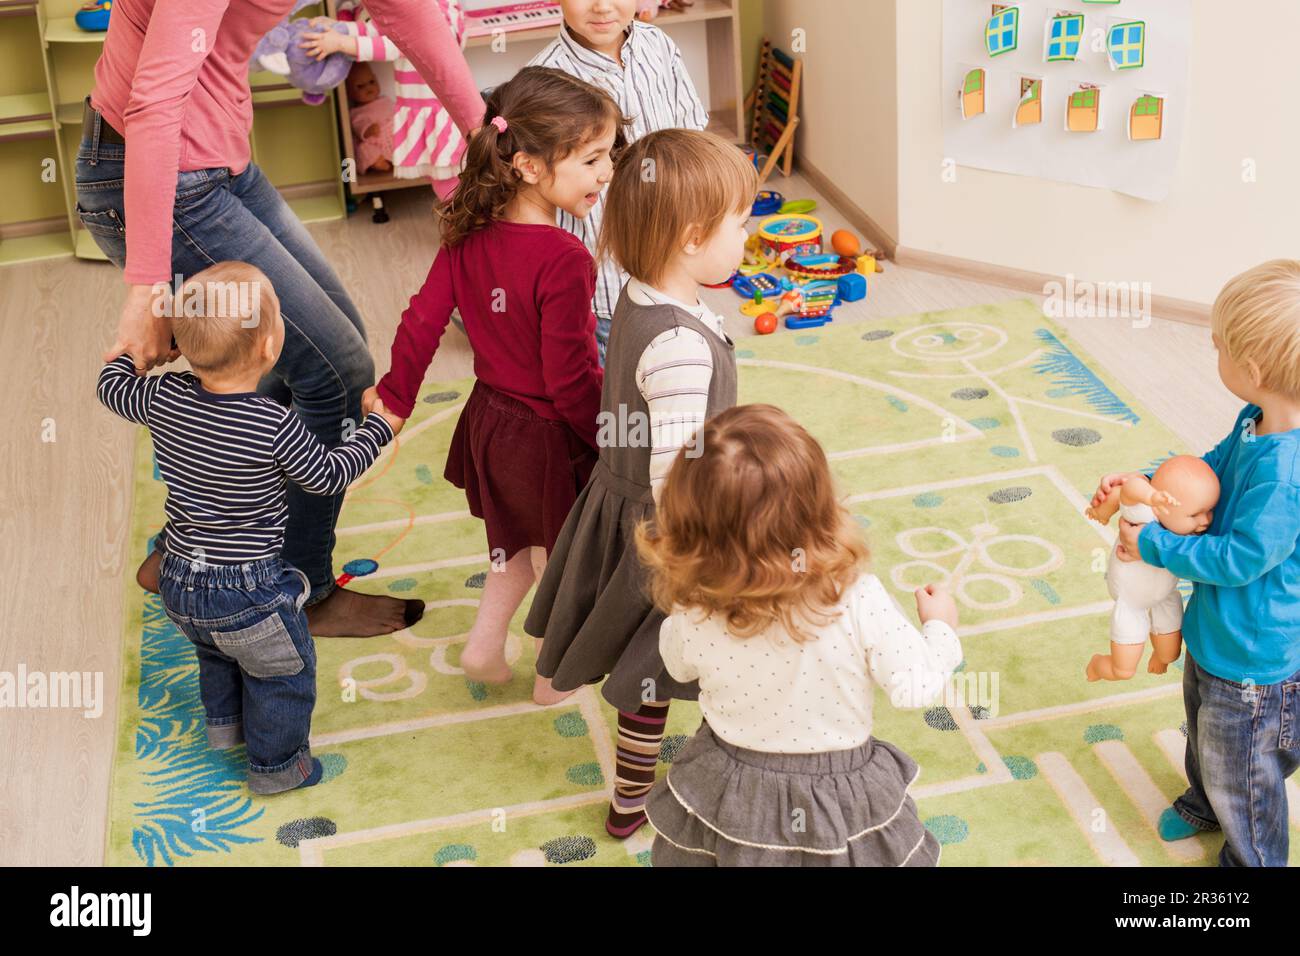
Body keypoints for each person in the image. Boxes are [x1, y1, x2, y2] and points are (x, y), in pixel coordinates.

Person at [77, 0, 485, 637]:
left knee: (308, 360)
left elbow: (410, 16)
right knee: (337, 370)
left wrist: (485, 134)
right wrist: (147, 289)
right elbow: (153, 105)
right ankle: (302, 592)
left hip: (217, 161)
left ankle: (182, 553)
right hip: (155, 171)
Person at [96, 262, 404, 793]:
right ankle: (279, 768)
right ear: (269, 350)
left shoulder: (163, 398)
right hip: (249, 593)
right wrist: (380, 428)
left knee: (216, 650)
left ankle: (227, 728)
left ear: (183, 342)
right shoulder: (272, 424)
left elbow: (111, 387)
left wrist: (138, 354)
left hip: (181, 587)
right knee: (285, 671)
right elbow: (329, 474)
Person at [525, 128, 755, 837]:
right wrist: (706, 558)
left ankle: (631, 795)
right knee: (665, 665)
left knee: (647, 666)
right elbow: (677, 472)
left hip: (624, 505)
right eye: (740, 223)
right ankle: (685, 784)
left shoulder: (641, 294)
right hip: (671, 534)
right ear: (692, 237)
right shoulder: (680, 347)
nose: (748, 237)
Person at [365, 67, 621, 684]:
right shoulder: (565, 258)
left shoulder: (467, 232)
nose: (606, 172)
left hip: (491, 424)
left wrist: (395, 398)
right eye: (590, 160)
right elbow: (570, 375)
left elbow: (422, 320)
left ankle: (483, 649)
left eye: (609, 155)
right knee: (569, 562)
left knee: (515, 555)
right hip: (549, 437)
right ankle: (551, 676)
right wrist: (607, 437)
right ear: (529, 166)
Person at [637, 404, 961, 866]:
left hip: (729, 788)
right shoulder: (855, 597)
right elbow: (916, 687)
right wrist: (941, 627)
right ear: (818, 507)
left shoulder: (698, 605)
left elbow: (676, 662)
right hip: (837, 798)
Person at [1100, 259, 1300, 866]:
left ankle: (1251, 863)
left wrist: (1155, 544)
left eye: (1219, 346)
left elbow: (1240, 559)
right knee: (1206, 734)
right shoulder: (1254, 422)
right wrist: (1149, 485)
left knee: (1244, 764)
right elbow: (1203, 473)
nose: (1211, 350)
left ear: (1254, 370)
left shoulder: (1284, 477)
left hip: (1254, 658)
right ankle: (1206, 799)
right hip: (1218, 634)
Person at [529, 0, 708, 363]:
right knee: (612, 401)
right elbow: (534, 198)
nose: (602, 7)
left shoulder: (658, 45)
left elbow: (692, 140)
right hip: (602, 292)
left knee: (674, 380)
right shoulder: (543, 81)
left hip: (671, 270)